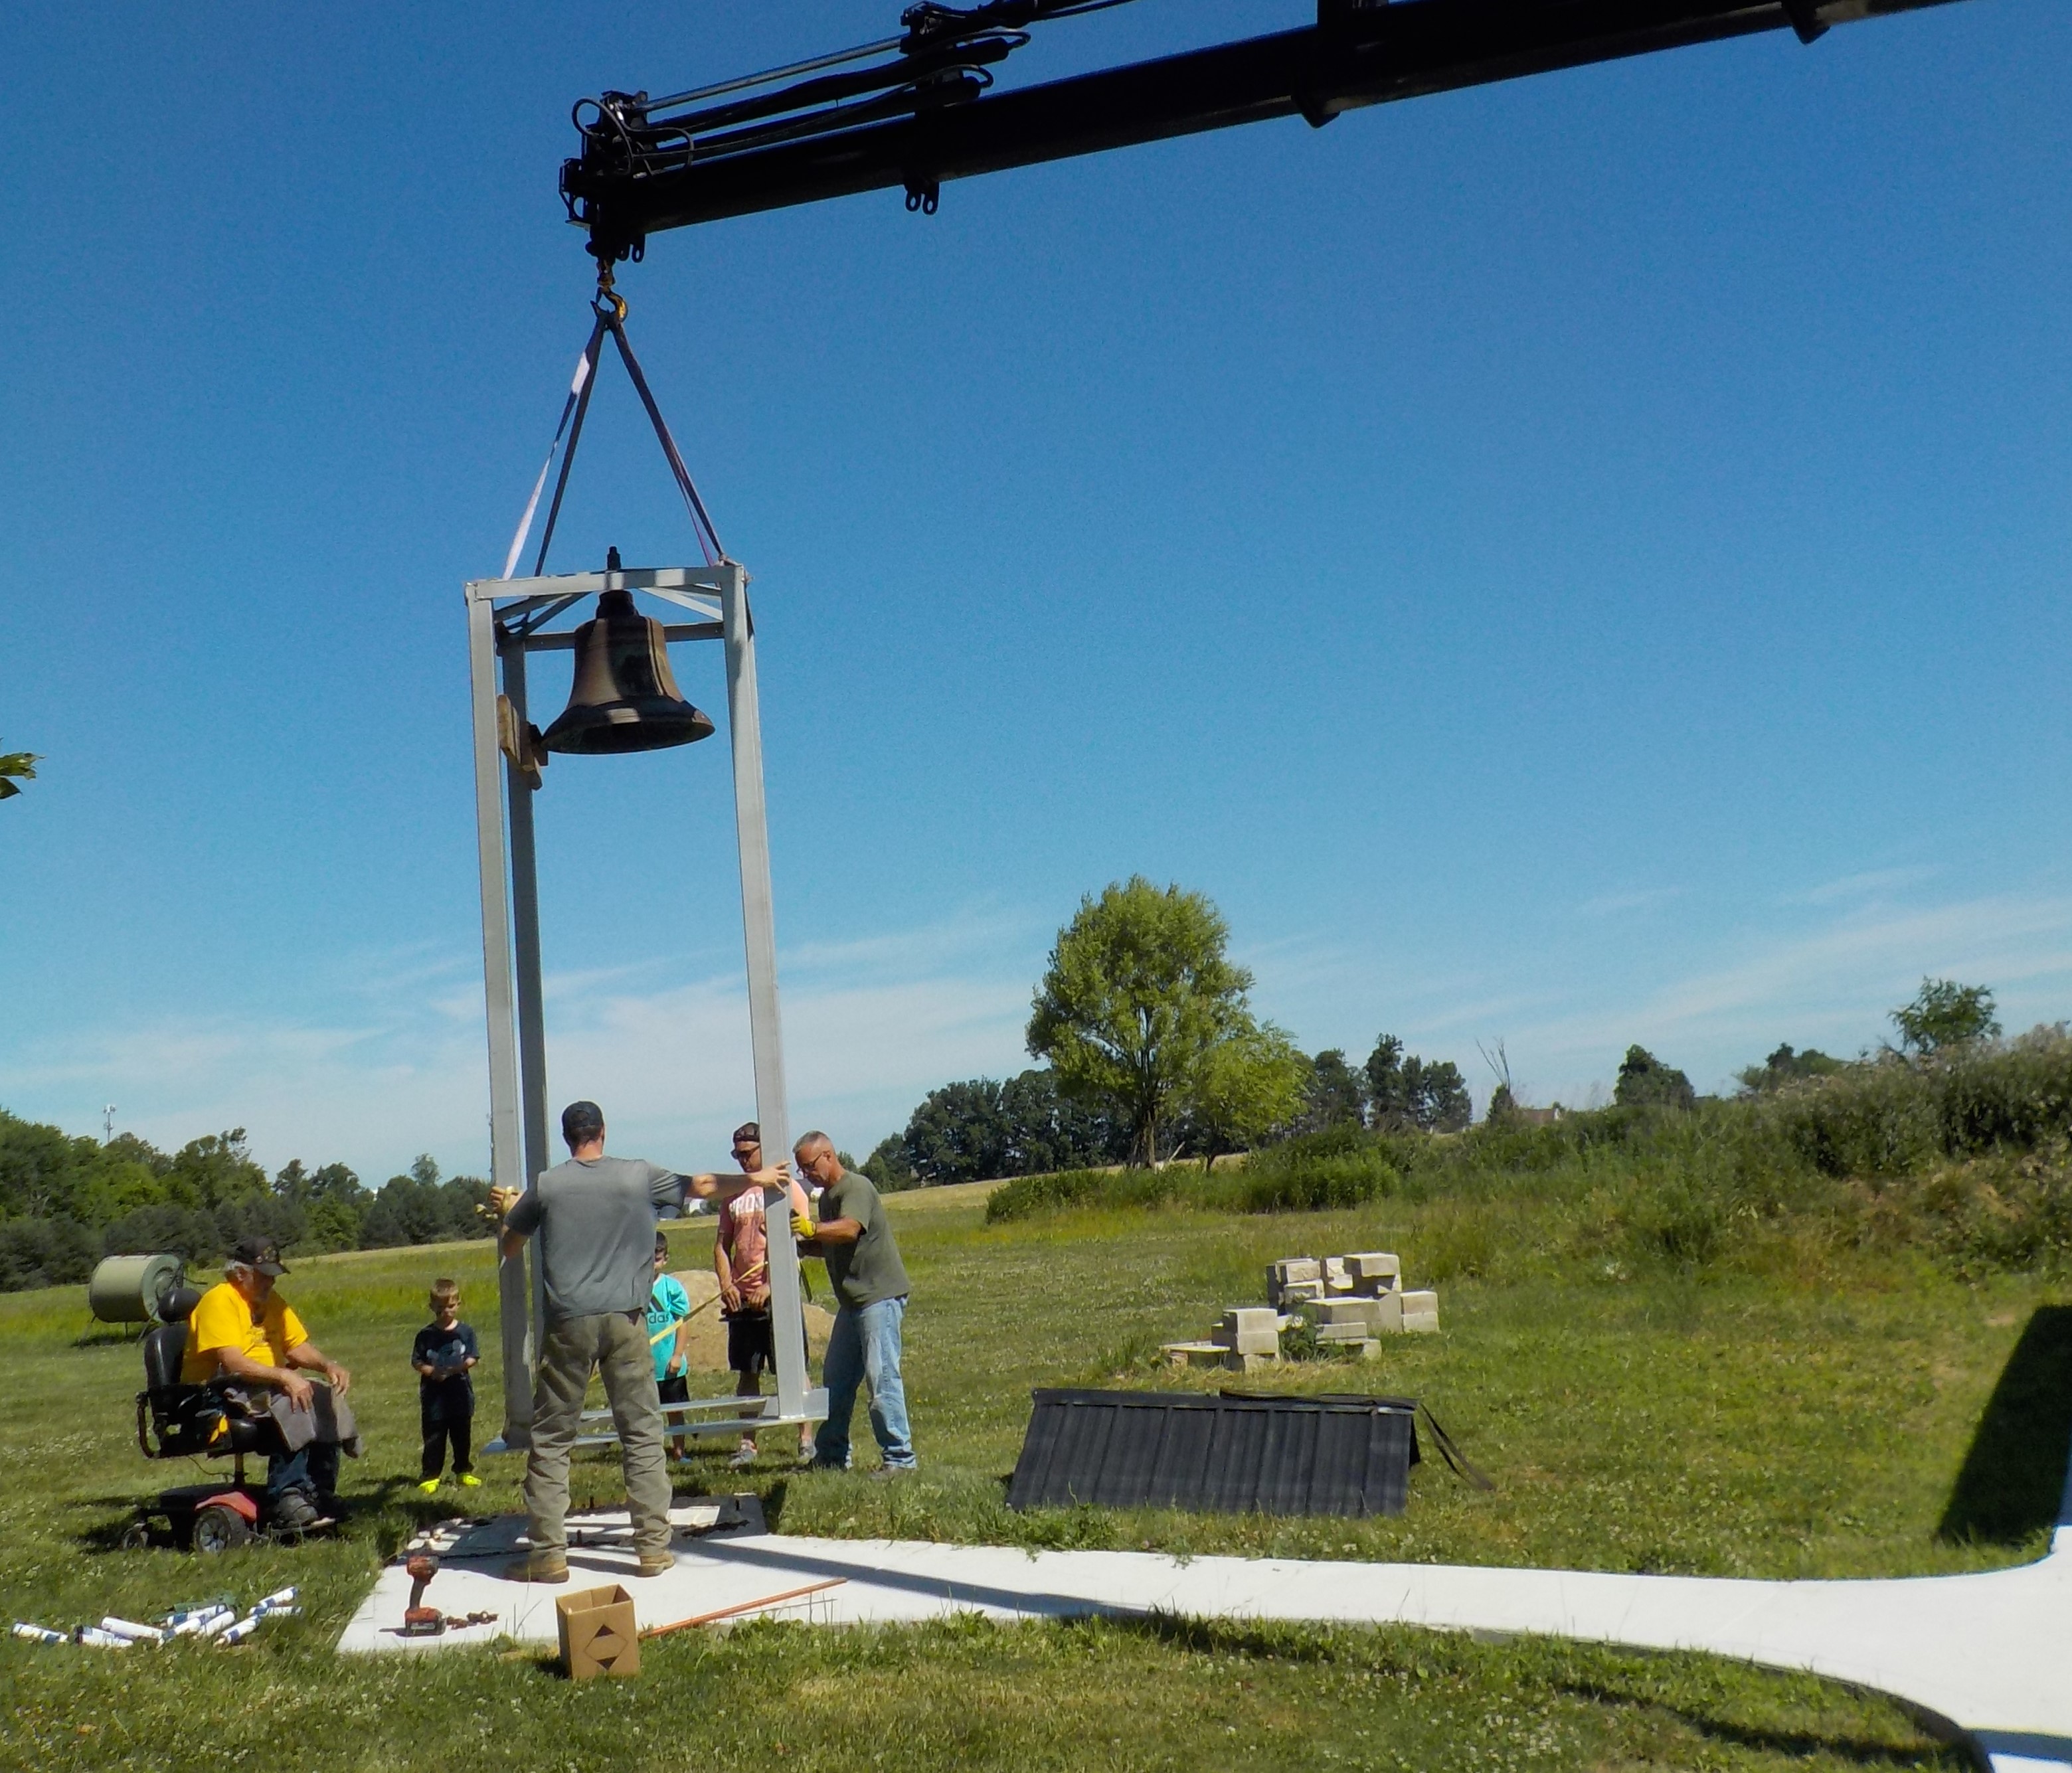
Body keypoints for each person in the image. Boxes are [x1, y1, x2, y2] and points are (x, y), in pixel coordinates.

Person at [491, 1100, 786, 1584]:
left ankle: (547, 1555)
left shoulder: (547, 1185)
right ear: (603, 1132)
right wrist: (757, 1179)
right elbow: (704, 1185)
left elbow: (510, 1243)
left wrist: (508, 1212)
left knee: (552, 1441)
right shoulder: (637, 1176)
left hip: (568, 1324)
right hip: (630, 1320)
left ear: (568, 1138)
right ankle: (652, 1549)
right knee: (642, 1434)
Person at [179, 1235, 355, 1529]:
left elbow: (296, 1345)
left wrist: (328, 1365)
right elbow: (232, 1362)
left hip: (262, 1384)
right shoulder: (218, 1301)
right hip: (218, 1391)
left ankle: (320, 1491)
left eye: (273, 1277)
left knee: (323, 1396)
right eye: (264, 1277)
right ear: (240, 1274)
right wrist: (285, 1375)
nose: (271, 1284)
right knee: (293, 1399)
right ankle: (286, 1497)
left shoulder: (272, 1302)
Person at [793, 1132, 915, 1476]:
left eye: (810, 1166)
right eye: (802, 1169)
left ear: (828, 1155)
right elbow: (834, 1245)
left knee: (882, 1379)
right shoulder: (828, 1197)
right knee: (836, 1381)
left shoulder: (855, 1188)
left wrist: (811, 1228)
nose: (807, 1175)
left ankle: (900, 1459)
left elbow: (848, 1231)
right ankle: (832, 1456)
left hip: (878, 1297)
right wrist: (803, 1244)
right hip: (853, 1304)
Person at [713, 1121, 816, 1469]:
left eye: (747, 1154)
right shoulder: (733, 1195)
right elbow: (721, 1245)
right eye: (736, 1155)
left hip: (778, 1296)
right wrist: (727, 1284)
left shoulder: (789, 1190)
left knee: (794, 1367)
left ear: (763, 1149)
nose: (742, 1161)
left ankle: (805, 1440)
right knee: (748, 1372)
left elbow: (798, 1244)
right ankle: (748, 1443)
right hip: (742, 1299)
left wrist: (772, 1286)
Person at [412, 1278, 480, 1494]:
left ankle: (463, 1470)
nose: (446, 1312)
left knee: (462, 1434)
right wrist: (432, 1372)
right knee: (434, 1436)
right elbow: (417, 1361)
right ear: (432, 1307)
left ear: (458, 1304)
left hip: (460, 1391)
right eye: (440, 1308)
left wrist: (455, 1369)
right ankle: (431, 1475)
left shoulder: (466, 1332)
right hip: (434, 1396)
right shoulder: (426, 1335)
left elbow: (473, 1358)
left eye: (450, 1306)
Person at [648, 1234, 693, 1462]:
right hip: (645, 1365)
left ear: (665, 1259)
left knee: (675, 1410)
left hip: (670, 1364)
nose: (652, 1264)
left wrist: (677, 1355)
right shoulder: (635, 1288)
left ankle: (679, 1451)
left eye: (656, 1259)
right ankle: (652, 1454)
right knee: (648, 1412)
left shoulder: (672, 1288)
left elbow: (682, 1323)